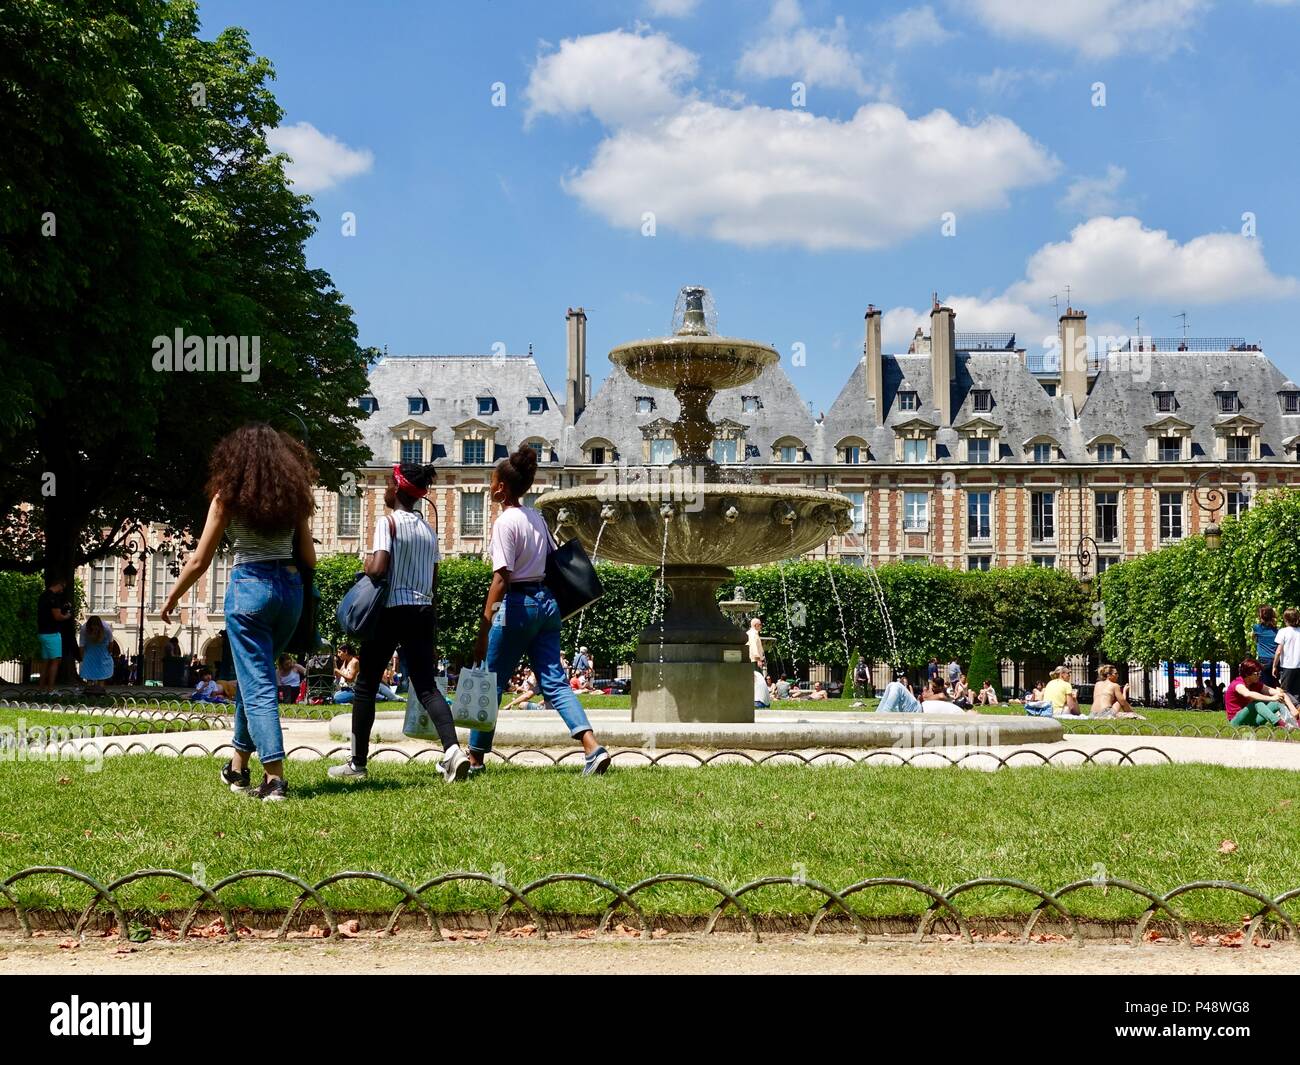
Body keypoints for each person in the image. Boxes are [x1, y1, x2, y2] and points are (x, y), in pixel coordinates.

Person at [161, 423, 315, 801]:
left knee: (258, 683)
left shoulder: (226, 498)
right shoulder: (293, 497)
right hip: (290, 594)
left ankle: (274, 778)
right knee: (254, 679)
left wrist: (172, 598)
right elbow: (309, 557)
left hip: (250, 590)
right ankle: (237, 768)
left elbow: (199, 560)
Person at [467, 445, 610, 776]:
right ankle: (592, 747)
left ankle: (475, 759)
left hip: (517, 604)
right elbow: (550, 560)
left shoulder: (505, 522)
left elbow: (501, 579)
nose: (490, 486)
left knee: (491, 681)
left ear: (502, 487)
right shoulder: (537, 518)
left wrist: (485, 626)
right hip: (547, 604)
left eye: (492, 481)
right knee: (556, 682)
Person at [330, 463, 465, 783]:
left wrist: (367, 562)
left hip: (390, 612)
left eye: (390, 484)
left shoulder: (387, 524)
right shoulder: (429, 531)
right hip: (422, 611)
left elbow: (378, 569)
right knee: (428, 687)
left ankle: (357, 764)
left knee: (364, 687)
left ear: (399, 490)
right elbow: (434, 580)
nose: (386, 489)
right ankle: (453, 752)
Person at [1223, 659, 1298, 729]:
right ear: (1247, 674)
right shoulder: (1237, 684)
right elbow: (1248, 694)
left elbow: (1279, 693)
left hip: (1252, 720)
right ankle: (1280, 724)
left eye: (1260, 673)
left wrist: (1293, 708)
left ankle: (1295, 725)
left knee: (1277, 702)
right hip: (1236, 721)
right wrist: (1271, 698)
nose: (1260, 675)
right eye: (1257, 673)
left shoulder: (1255, 684)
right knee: (1256, 703)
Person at [36, 577, 72, 690]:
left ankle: (41, 688)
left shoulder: (43, 596)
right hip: (52, 633)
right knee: (56, 660)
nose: (62, 590)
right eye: (63, 587)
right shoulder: (53, 598)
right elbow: (57, 616)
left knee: (45, 661)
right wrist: (66, 616)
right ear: (59, 584)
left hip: (42, 632)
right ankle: (50, 689)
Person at [78, 616, 114, 694]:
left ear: (99, 626)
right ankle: (89, 690)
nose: (94, 630)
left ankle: (100, 690)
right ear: (89, 627)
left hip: (102, 649)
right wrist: (82, 658)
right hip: (90, 650)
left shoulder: (107, 629)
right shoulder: (84, 629)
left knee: (102, 671)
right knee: (89, 669)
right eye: (92, 628)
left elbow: (111, 643)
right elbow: (82, 645)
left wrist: (109, 653)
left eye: (96, 628)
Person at [1274, 608, 1300, 704]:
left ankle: (1290, 712)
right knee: (1297, 692)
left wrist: (1274, 666)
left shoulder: (1283, 631)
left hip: (1287, 666)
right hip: (1299, 666)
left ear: (1285, 619)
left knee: (1284, 692)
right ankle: (1297, 714)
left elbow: (1279, 651)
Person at [1255, 606, 1281, 688]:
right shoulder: (1277, 631)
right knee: (1275, 686)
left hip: (1263, 660)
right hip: (1275, 660)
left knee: (1264, 687)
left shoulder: (1257, 628)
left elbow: (1255, 639)